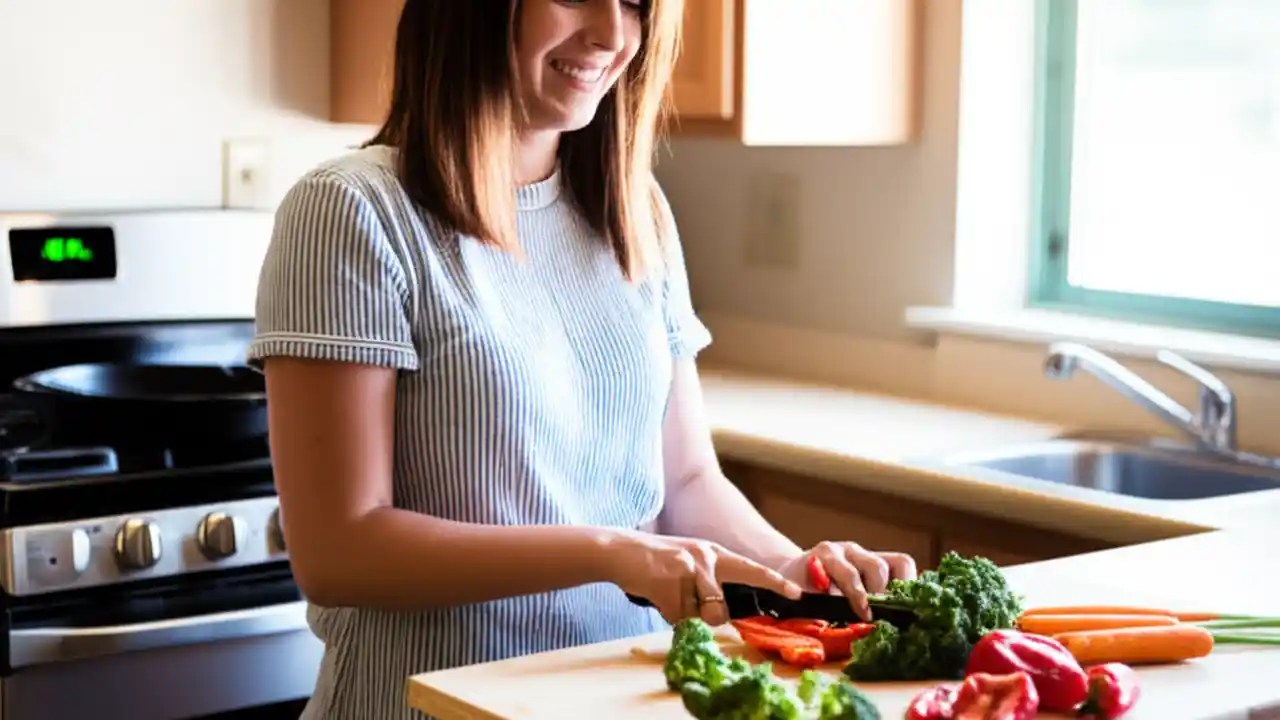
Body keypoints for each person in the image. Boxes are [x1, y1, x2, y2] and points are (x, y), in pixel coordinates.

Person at [246, 0, 918, 717]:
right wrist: (608, 550)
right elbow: (337, 552)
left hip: (617, 700)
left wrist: (792, 571)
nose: (611, 34)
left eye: (633, 4)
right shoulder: (353, 211)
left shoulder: (636, 211)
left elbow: (686, 481)